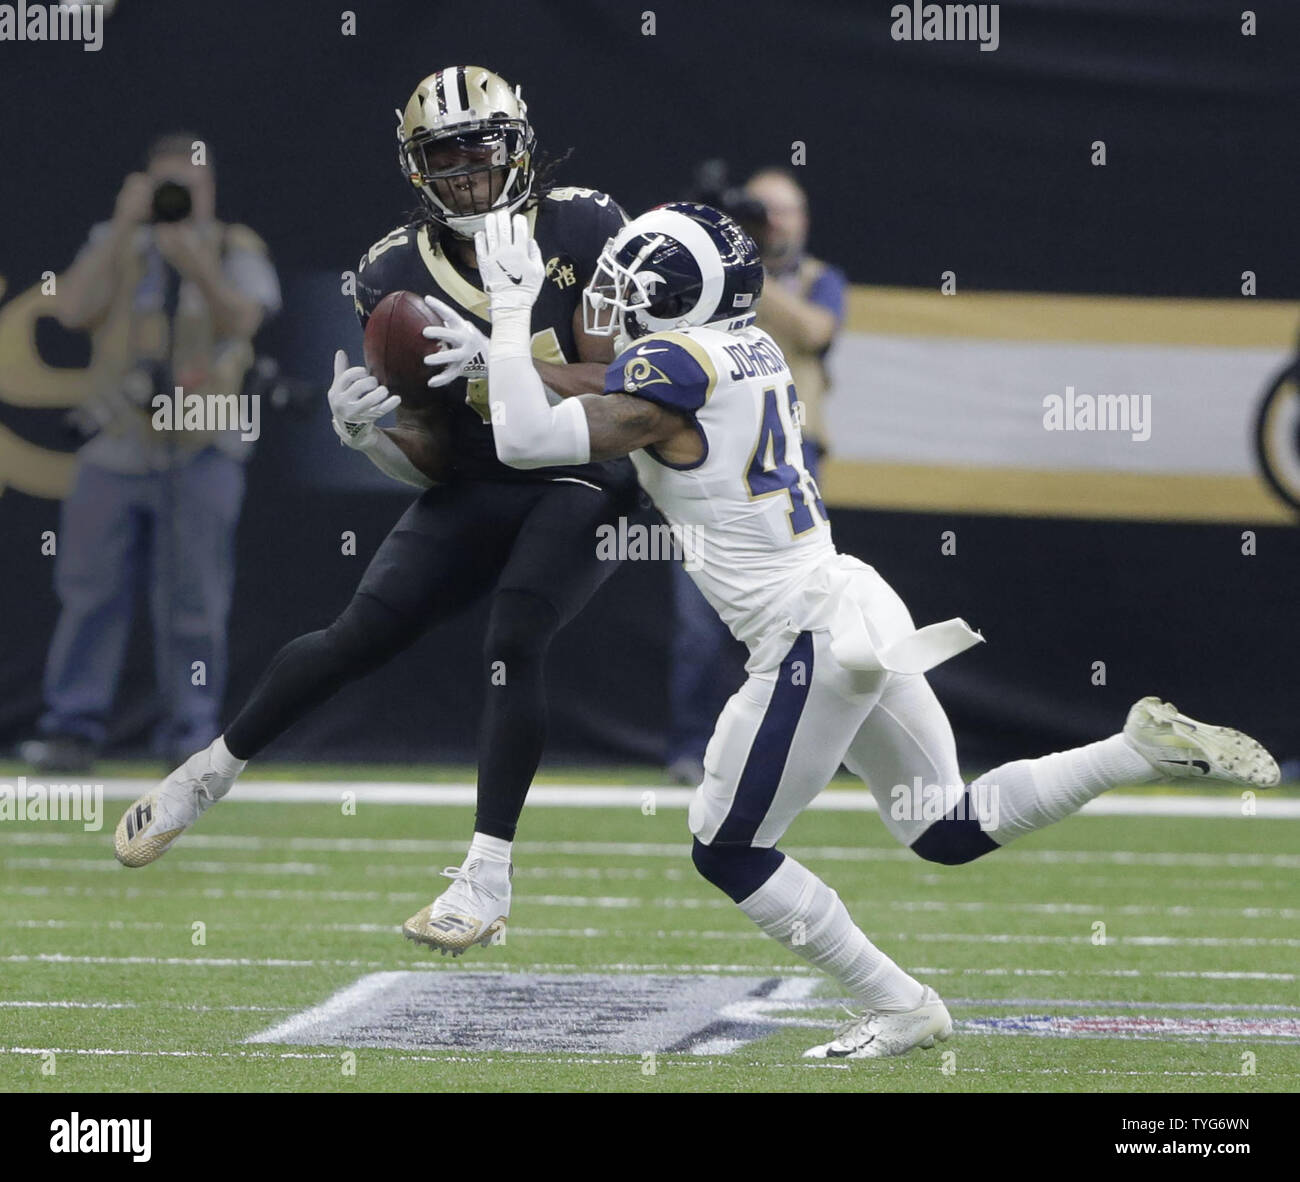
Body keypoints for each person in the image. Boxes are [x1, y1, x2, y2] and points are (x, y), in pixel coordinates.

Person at [467, 201, 1280, 1059]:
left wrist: (514, 319)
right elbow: (617, 390)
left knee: (728, 851)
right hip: (854, 603)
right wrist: (499, 363)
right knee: (946, 827)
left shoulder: (672, 369)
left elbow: (527, 440)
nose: (614, 300)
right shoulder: (742, 348)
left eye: (630, 285)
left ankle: (898, 1004)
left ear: (673, 297)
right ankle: (1135, 751)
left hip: (805, 636)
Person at [112, 66, 637, 957]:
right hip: (477, 475)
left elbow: (629, 387)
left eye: (481, 148)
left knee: (513, 640)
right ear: (414, 166)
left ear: (520, 147)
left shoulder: (587, 224)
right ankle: (203, 777)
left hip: (584, 466)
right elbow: (431, 446)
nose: (467, 171)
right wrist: (373, 440)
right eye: (445, 155)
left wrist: (504, 358)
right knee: (353, 635)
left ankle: (485, 878)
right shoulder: (391, 273)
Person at [19, 133, 280, 774]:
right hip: (114, 448)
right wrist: (120, 226)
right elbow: (73, 309)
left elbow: (247, 317)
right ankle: (72, 727)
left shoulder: (230, 246)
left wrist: (193, 263)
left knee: (193, 598)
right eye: (163, 188)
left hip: (203, 446)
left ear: (209, 190)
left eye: (186, 189)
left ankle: (189, 733)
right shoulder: (117, 243)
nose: (175, 200)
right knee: (88, 592)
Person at [663, 169, 847, 787]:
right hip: (713, 460)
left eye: (784, 212)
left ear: (804, 221)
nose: (775, 223)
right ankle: (693, 749)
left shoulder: (820, 282)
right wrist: (706, 253)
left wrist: (735, 265)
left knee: (801, 611)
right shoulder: (709, 283)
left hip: (789, 462)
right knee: (700, 617)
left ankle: (789, 748)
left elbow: (815, 333)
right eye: (762, 212)